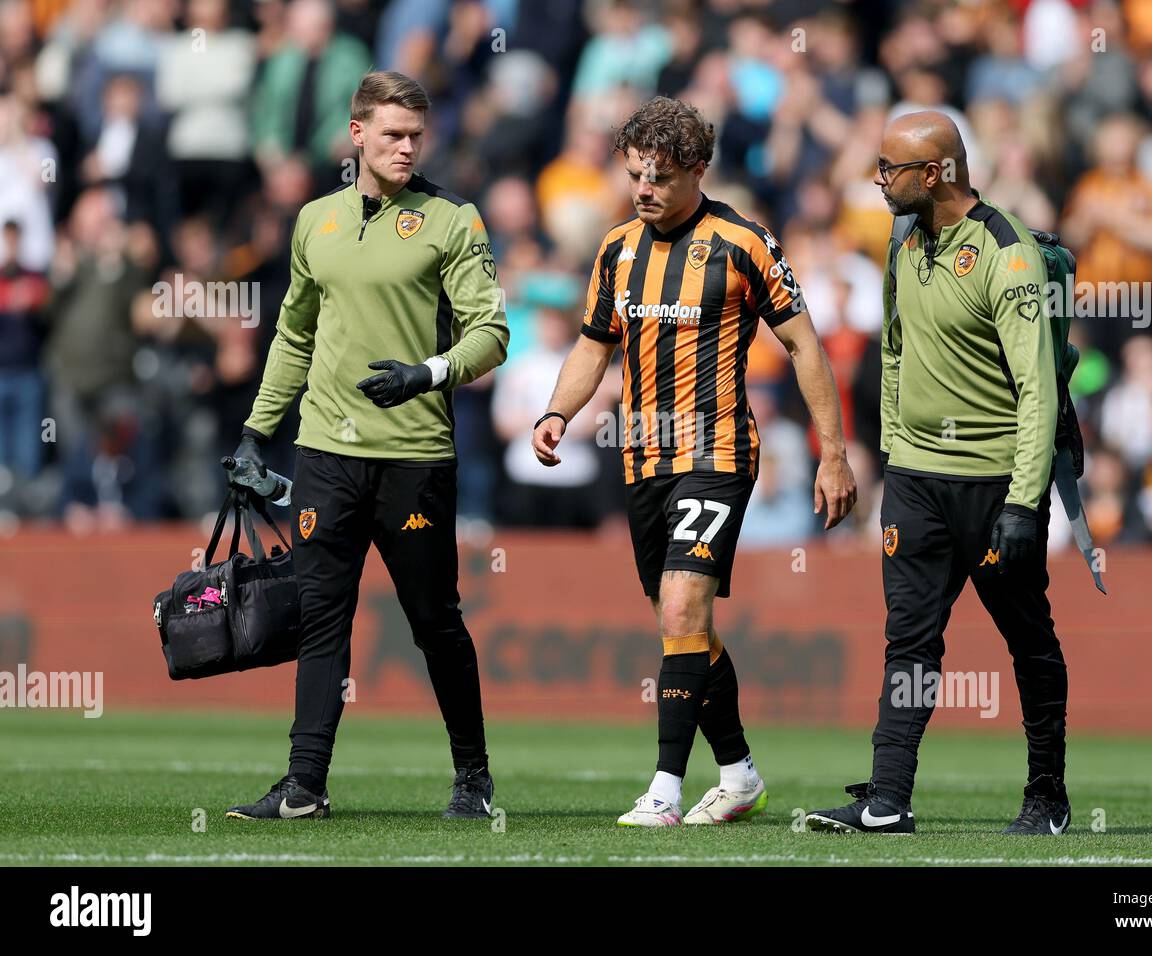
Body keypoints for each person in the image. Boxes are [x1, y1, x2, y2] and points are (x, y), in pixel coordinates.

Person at [532, 96, 856, 827]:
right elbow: (592, 344)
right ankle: (739, 775)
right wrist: (558, 411)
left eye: (661, 176)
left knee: (682, 606)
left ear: (698, 172)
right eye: (636, 173)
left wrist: (830, 454)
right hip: (641, 460)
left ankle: (665, 791)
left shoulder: (744, 244)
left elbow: (805, 345)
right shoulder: (616, 248)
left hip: (717, 452)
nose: (645, 188)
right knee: (686, 629)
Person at [225, 71, 509, 821]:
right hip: (323, 452)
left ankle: (473, 776)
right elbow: (294, 334)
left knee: (433, 620)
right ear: (357, 135)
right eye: (392, 134)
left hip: (415, 456)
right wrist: (257, 434)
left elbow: (492, 334)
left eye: (417, 134)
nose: (407, 147)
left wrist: (428, 373)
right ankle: (304, 785)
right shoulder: (315, 220)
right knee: (322, 617)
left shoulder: (454, 219)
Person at [805, 111, 1069, 836]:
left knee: (1029, 639)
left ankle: (1047, 793)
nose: (877, 178)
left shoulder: (1006, 252)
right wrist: (893, 452)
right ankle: (888, 798)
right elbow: (894, 351)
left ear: (934, 174)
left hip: (993, 483)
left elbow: (1036, 387)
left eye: (890, 167)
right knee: (909, 639)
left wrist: (1022, 503)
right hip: (916, 480)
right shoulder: (901, 242)